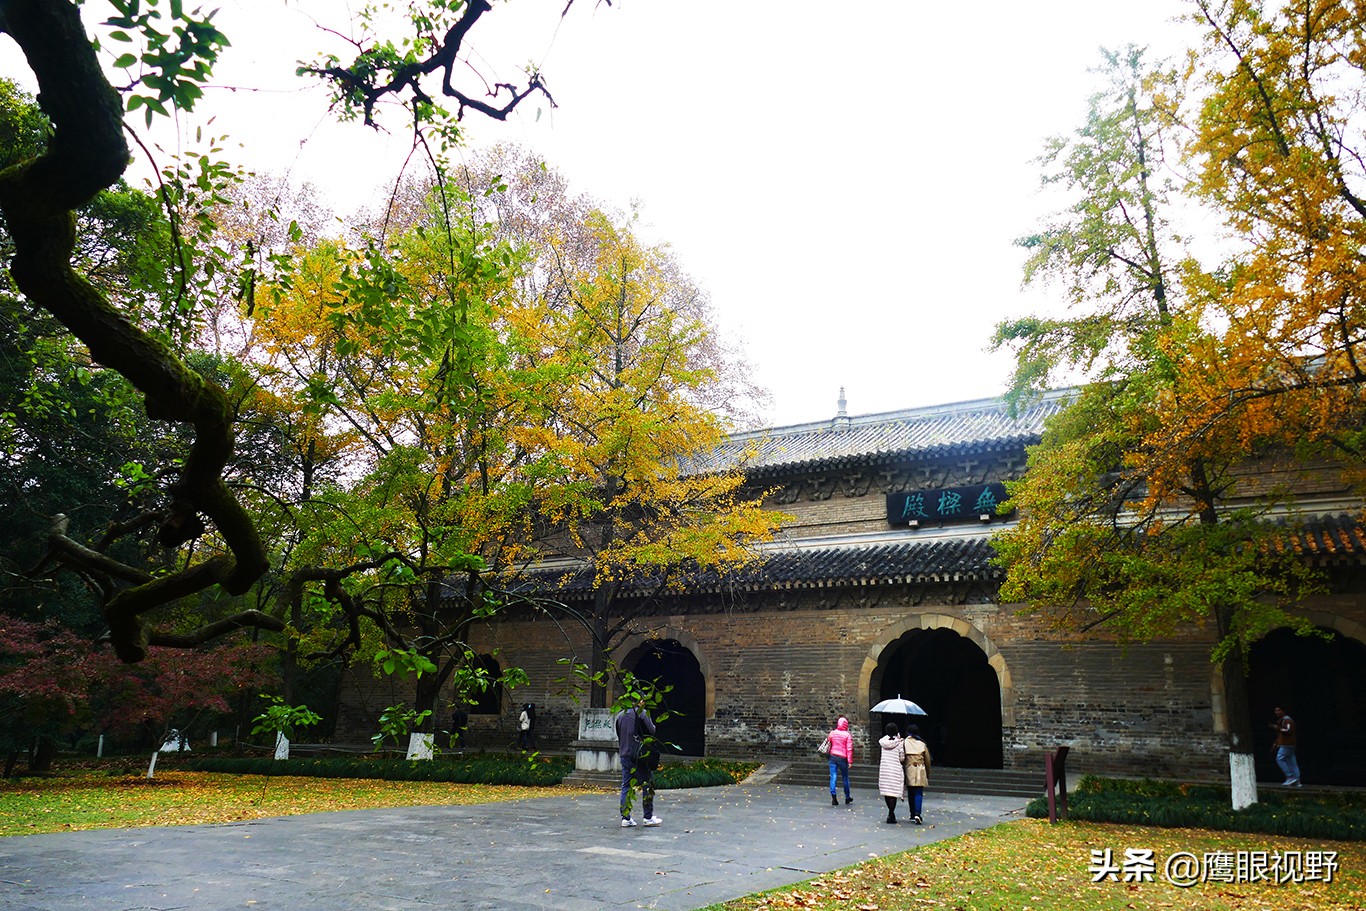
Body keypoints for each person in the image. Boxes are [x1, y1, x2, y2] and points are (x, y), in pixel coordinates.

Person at [616, 699, 662, 827]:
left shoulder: (620, 715)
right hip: (638, 755)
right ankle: (648, 816)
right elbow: (652, 730)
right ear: (639, 701)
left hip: (624, 753)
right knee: (648, 783)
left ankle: (625, 818)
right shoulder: (641, 713)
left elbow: (618, 734)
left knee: (626, 785)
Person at [877, 722, 906, 823]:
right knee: (893, 792)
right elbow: (902, 758)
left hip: (885, 769)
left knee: (887, 791)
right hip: (895, 769)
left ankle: (890, 812)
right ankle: (891, 812)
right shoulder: (899, 743)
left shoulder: (883, 742)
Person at [902, 723, 932, 824]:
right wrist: (927, 772)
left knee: (911, 792)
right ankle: (917, 814)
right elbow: (927, 760)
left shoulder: (904, 743)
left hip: (909, 768)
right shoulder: (922, 744)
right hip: (920, 769)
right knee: (919, 792)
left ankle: (912, 813)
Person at [826, 716, 854, 806]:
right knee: (845, 777)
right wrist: (849, 761)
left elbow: (828, 741)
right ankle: (847, 797)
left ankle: (833, 797)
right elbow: (849, 748)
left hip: (833, 756)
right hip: (843, 758)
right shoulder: (847, 735)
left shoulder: (832, 733)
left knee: (833, 777)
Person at [1270, 706, 1301, 787]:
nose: (1276, 712)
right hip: (1288, 744)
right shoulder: (1283, 721)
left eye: (1278, 710)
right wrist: (1276, 742)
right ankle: (1297, 781)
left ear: (1283, 711)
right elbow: (1280, 734)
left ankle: (1290, 776)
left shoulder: (1287, 720)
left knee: (1279, 758)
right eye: (1275, 711)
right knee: (1292, 762)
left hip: (1287, 744)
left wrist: (1277, 728)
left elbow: (1288, 730)